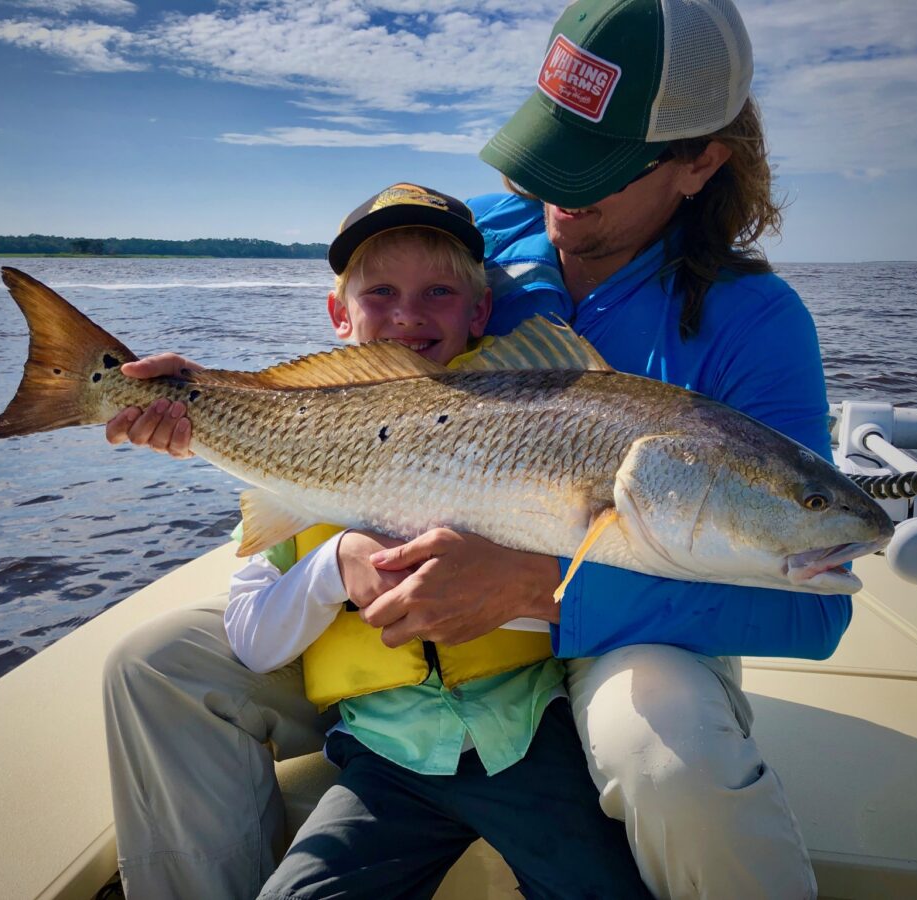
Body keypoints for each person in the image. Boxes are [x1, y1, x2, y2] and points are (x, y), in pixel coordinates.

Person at [104, 1, 839, 897]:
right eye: (550, 149)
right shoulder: (485, 238)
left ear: (699, 162)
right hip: (401, 608)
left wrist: (532, 589)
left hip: (626, 617)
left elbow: (812, 608)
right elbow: (369, 350)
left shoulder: (755, 321)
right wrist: (200, 395)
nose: (559, 188)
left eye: (595, 165)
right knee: (151, 669)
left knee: (665, 754)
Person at [224, 184, 645, 899]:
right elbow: (253, 642)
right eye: (379, 291)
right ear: (339, 314)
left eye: (439, 291)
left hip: (531, 740)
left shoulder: (536, 421)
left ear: (481, 309)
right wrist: (333, 565)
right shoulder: (291, 450)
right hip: (384, 760)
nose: (407, 314)